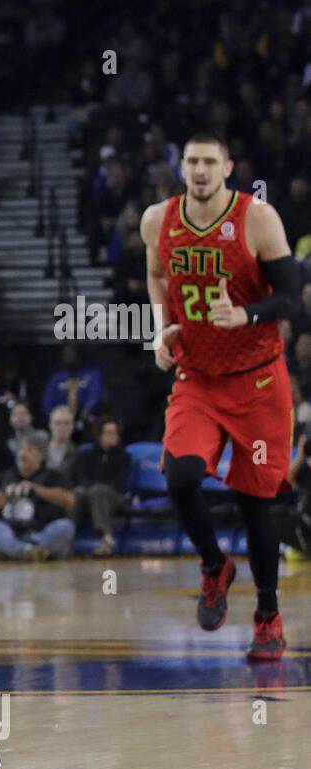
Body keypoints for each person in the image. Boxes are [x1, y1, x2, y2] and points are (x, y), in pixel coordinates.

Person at [141, 134, 301, 658]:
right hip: (198, 379)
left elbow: (293, 299)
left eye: (211, 161)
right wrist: (163, 328)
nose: (201, 169)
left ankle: (268, 617)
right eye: (192, 161)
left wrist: (249, 314)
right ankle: (215, 566)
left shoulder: (259, 219)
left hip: (257, 380)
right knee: (180, 477)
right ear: (181, 167)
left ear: (228, 167)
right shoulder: (156, 220)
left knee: (258, 507)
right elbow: (156, 275)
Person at [0, 431, 77, 559]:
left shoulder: (53, 476)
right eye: (21, 450)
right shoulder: (4, 477)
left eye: (29, 450)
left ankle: (17, 550)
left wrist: (36, 489)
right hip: (11, 531)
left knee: (66, 526)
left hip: (41, 530)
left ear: (41, 455)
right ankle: (27, 550)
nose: (23, 453)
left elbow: (70, 501)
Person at [73, 415, 131, 556]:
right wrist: (90, 489)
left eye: (115, 433)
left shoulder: (124, 457)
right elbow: (81, 477)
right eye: (109, 433)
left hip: (115, 497)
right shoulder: (86, 455)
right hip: (89, 493)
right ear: (99, 435)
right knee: (76, 494)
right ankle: (68, 534)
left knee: (99, 491)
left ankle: (106, 538)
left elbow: (119, 483)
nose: (113, 436)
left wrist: (95, 488)